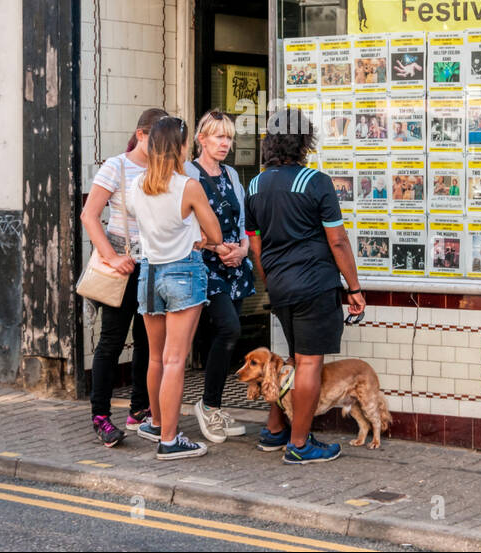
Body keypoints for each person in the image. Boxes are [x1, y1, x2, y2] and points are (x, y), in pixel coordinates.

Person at [245, 110, 365, 464]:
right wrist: (354, 288)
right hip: (314, 285)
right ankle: (299, 445)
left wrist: (271, 281)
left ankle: (275, 431)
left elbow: (256, 246)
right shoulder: (316, 182)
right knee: (309, 363)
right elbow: (338, 241)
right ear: (303, 142)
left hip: (280, 286)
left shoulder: (255, 184)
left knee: (296, 361)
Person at [126, 116, 229, 460]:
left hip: (149, 274)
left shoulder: (138, 184)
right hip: (182, 272)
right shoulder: (188, 186)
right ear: (180, 148)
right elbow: (215, 235)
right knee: (174, 360)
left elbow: (145, 224)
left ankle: (156, 423)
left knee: (155, 357)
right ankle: (170, 440)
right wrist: (200, 237)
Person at [79, 107, 167, 447]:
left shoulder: (164, 168)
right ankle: (100, 415)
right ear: (141, 135)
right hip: (123, 267)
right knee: (111, 342)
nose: (162, 148)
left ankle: (139, 409)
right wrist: (112, 257)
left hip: (154, 265)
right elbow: (90, 215)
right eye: (156, 140)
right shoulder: (116, 166)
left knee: (148, 342)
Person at [184, 111, 256, 444]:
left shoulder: (231, 174)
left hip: (235, 264)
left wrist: (242, 249)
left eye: (228, 137)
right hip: (204, 266)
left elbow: (241, 223)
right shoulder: (187, 173)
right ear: (202, 139)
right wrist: (216, 248)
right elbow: (184, 226)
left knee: (228, 337)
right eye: (218, 137)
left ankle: (214, 404)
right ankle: (207, 405)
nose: (225, 143)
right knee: (228, 328)